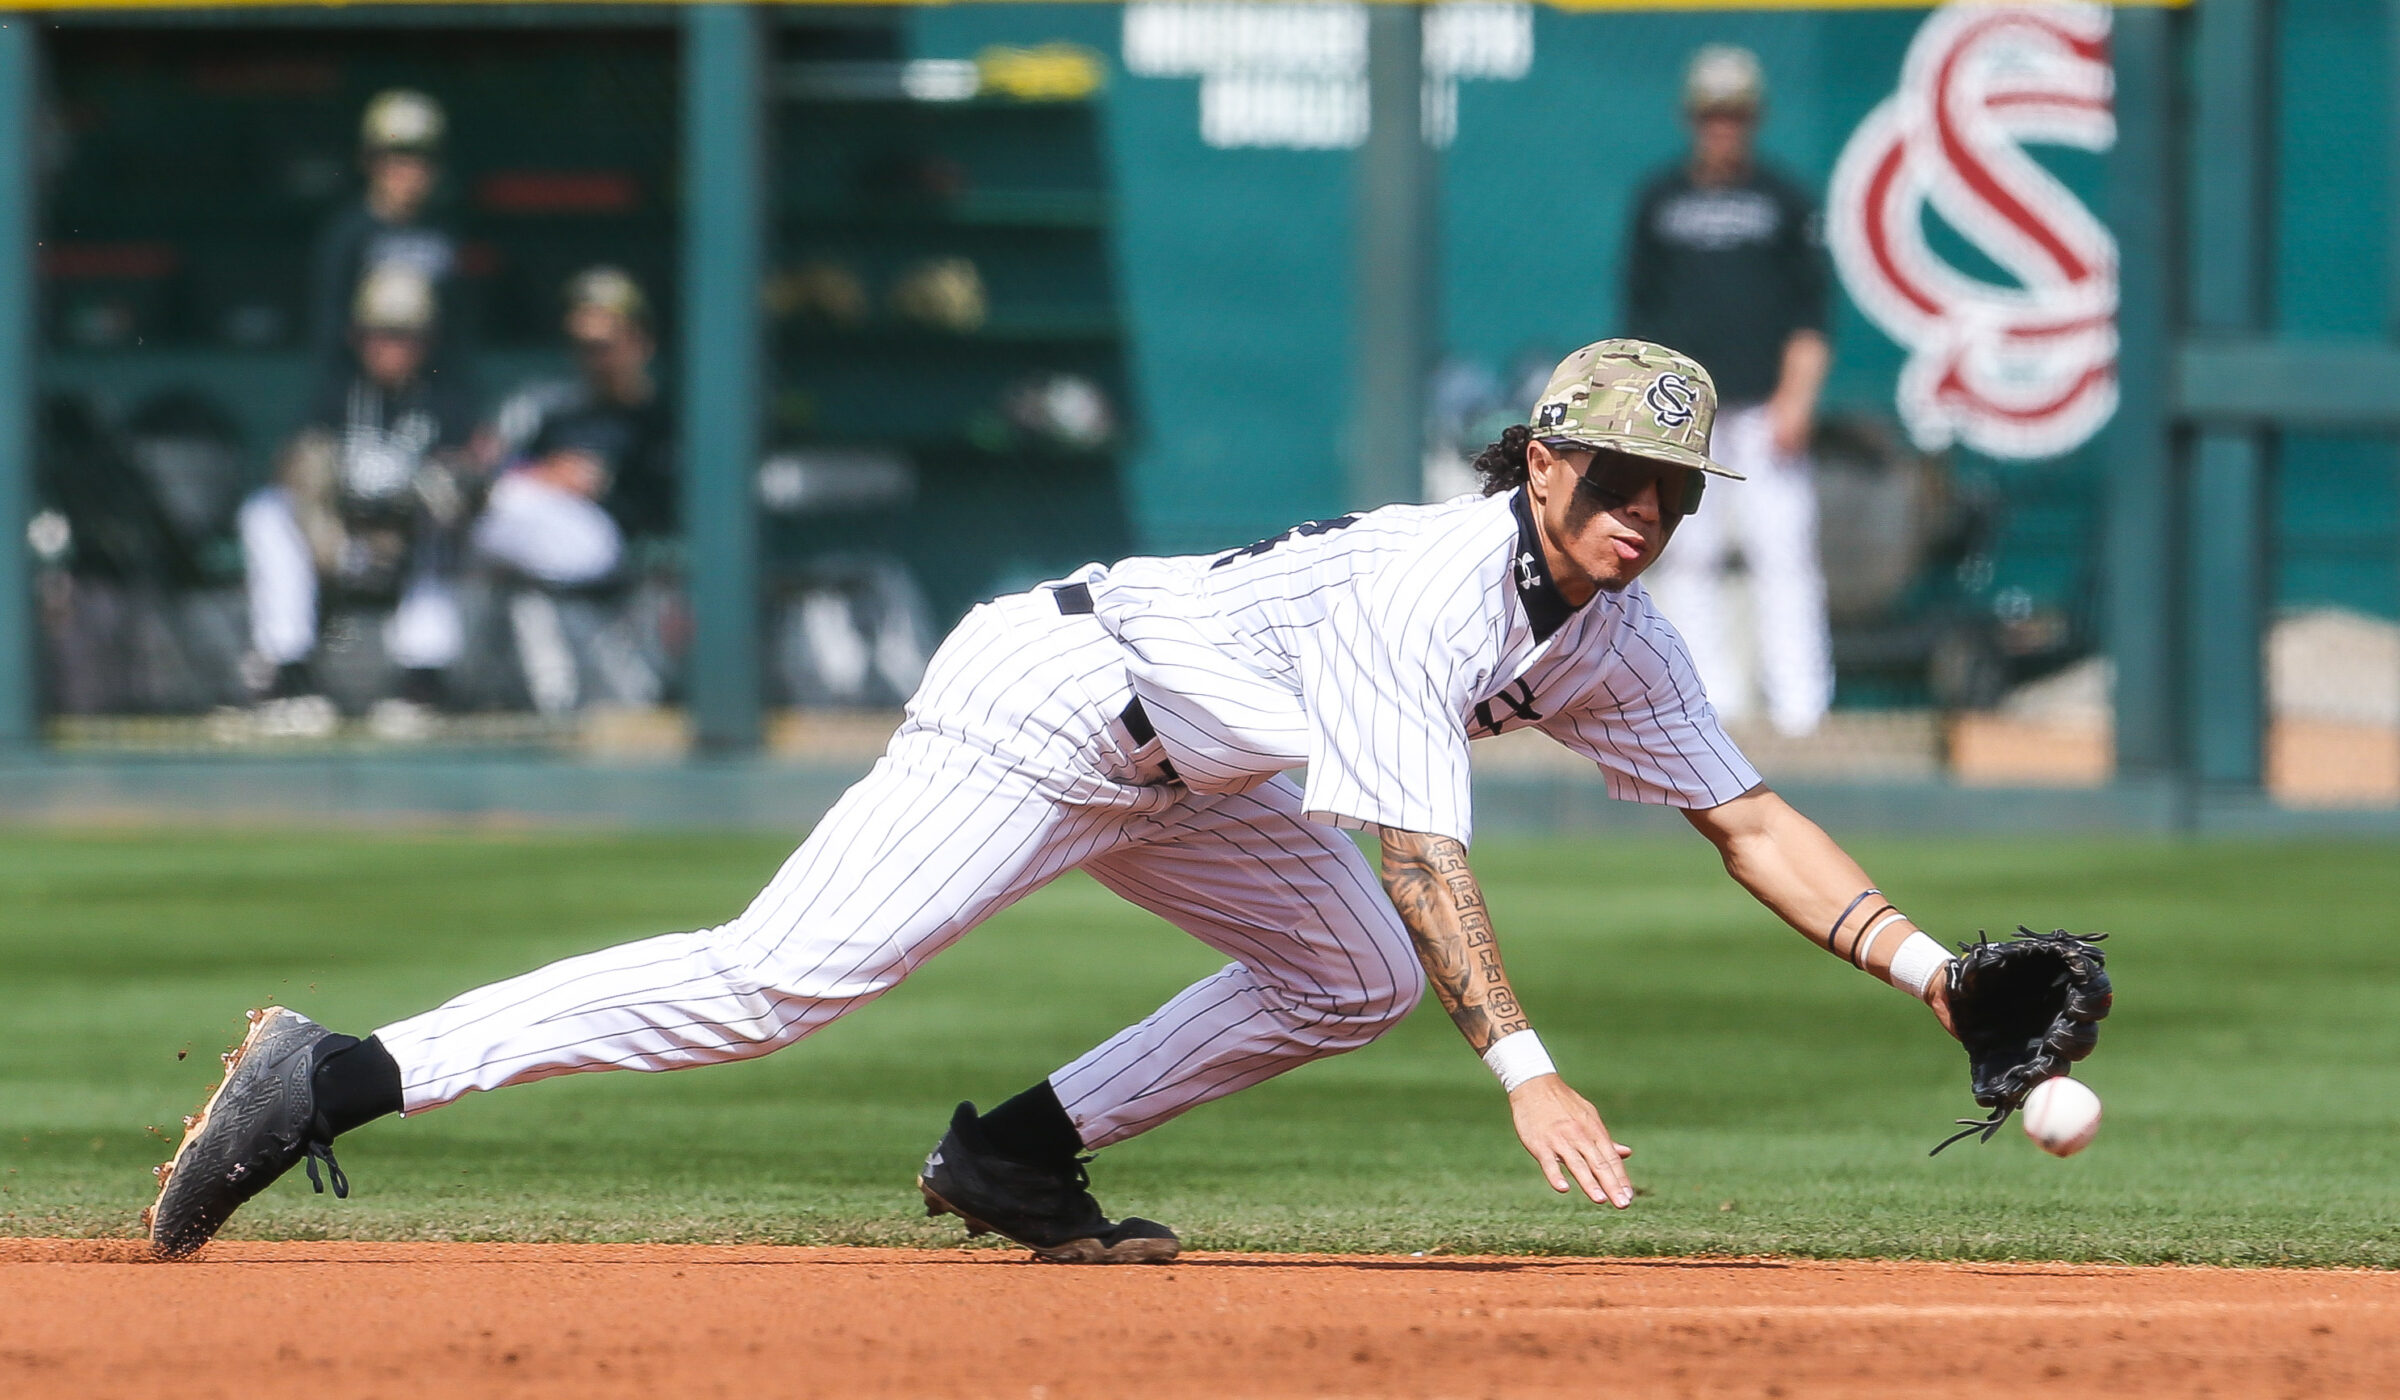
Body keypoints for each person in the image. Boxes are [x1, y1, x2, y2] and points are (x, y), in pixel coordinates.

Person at [146, 341, 1967, 1264]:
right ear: (1546, 458)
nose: (1648, 514)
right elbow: (1418, 846)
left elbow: (1748, 815)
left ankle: (1016, 1148)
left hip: (1206, 770)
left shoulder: (1620, 634)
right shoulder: (1444, 581)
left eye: (1680, 488)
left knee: (1347, 978)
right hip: (1057, 706)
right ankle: (341, 1069)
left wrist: (1939, 975)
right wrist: (1526, 1067)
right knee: (781, 984)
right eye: (1622, 476)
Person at [1623, 44, 1835, 737]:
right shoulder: (1660, 200)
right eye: (1712, 114)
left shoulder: (1783, 200)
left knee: (1785, 553)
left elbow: (1810, 313)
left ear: (1753, 118)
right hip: (1685, 410)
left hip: (1763, 406)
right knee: (1686, 553)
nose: (1723, 127)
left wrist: (1797, 397)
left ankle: (1803, 708)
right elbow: (1640, 317)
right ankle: (1707, 702)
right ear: (1693, 118)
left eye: (1735, 114)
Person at [237, 265, 485, 734]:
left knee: (443, 529)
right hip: (343, 543)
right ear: (358, 336)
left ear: (427, 339)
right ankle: (288, 677)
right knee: (265, 511)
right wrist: (319, 519)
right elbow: (295, 468)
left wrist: (434, 498)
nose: (391, 346)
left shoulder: (447, 399)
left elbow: (468, 484)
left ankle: (422, 684)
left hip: (412, 548)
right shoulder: (336, 393)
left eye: (405, 334)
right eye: (380, 333)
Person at [469, 269, 675, 712]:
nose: (592, 357)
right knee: (475, 511)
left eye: (604, 345)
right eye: (582, 346)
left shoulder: (657, 417)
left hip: (613, 545)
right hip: (539, 544)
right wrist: (542, 473)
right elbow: (505, 460)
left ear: (639, 342)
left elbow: (648, 499)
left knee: (488, 502)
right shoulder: (558, 412)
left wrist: (558, 479)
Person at [307, 90, 459, 382]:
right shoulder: (347, 234)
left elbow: (457, 329)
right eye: (396, 156)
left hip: (433, 394)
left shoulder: (443, 234)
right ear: (369, 160)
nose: (411, 170)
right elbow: (330, 329)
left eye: (423, 158)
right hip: (359, 390)